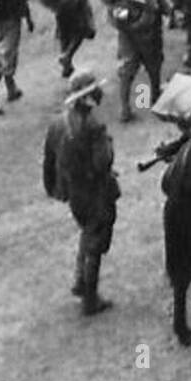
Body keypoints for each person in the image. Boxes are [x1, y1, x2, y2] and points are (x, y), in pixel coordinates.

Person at [42, 71, 121, 316]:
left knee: (87, 232)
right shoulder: (94, 125)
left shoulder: (57, 123)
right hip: (95, 190)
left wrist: (53, 188)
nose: (100, 93)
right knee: (96, 239)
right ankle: (90, 297)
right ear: (87, 96)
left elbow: (48, 160)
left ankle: (80, 280)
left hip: (73, 191)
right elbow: (103, 161)